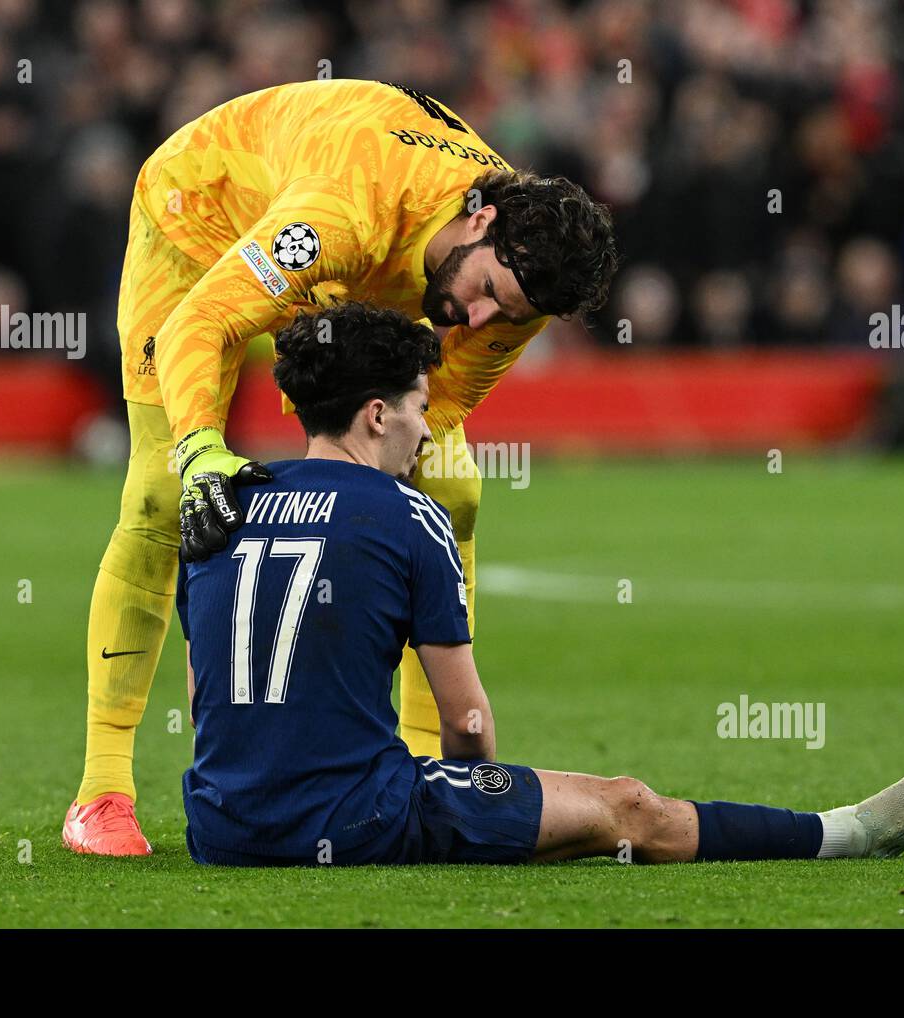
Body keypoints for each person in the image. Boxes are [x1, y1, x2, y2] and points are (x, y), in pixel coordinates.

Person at [176, 301, 904, 867]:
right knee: (626, 806)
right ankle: (847, 834)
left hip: (220, 826)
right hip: (354, 821)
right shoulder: (406, 517)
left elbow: (205, 695)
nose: (429, 427)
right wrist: (480, 791)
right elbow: (468, 723)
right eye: (420, 407)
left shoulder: (222, 502)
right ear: (378, 415)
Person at [63, 79, 619, 854]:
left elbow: (431, 410)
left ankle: (427, 768)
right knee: (161, 497)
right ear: (479, 217)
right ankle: (102, 790)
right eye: (487, 292)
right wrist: (201, 454)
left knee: (450, 488)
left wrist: (362, 491)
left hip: (360, 280)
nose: (483, 320)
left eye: (511, 315)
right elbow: (205, 321)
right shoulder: (344, 211)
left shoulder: (516, 279)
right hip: (201, 221)